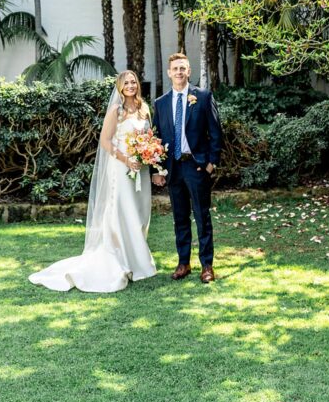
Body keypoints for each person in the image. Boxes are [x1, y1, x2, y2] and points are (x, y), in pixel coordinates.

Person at [28, 70, 157, 293]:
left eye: (133, 82)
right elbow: (105, 141)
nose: (130, 85)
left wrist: (148, 155)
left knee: (139, 212)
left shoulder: (144, 108)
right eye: (126, 83)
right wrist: (126, 159)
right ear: (120, 87)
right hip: (121, 168)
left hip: (141, 169)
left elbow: (149, 138)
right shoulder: (116, 111)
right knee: (121, 211)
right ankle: (120, 260)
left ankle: (139, 260)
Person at [152, 52, 223, 284]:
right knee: (180, 217)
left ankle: (207, 265)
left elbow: (216, 132)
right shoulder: (160, 103)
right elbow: (156, 138)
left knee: (202, 216)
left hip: (197, 166)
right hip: (173, 169)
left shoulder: (202, 97)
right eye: (175, 69)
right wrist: (158, 169)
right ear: (169, 73)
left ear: (189, 71)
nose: (179, 72)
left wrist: (211, 163)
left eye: (183, 68)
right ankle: (183, 263)